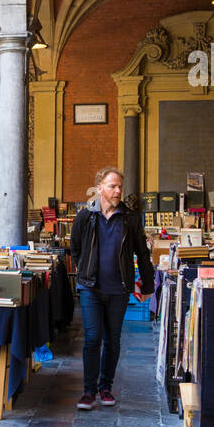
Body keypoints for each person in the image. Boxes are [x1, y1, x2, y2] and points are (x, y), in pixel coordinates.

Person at [69, 166, 155, 410]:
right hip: (90, 289)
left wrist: (147, 284)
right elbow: (75, 249)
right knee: (93, 338)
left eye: (119, 187)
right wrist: (85, 269)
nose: (118, 191)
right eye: (112, 186)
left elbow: (142, 253)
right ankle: (88, 391)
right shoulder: (86, 217)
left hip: (119, 289)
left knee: (113, 340)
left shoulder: (129, 219)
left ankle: (105, 387)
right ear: (100, 189)